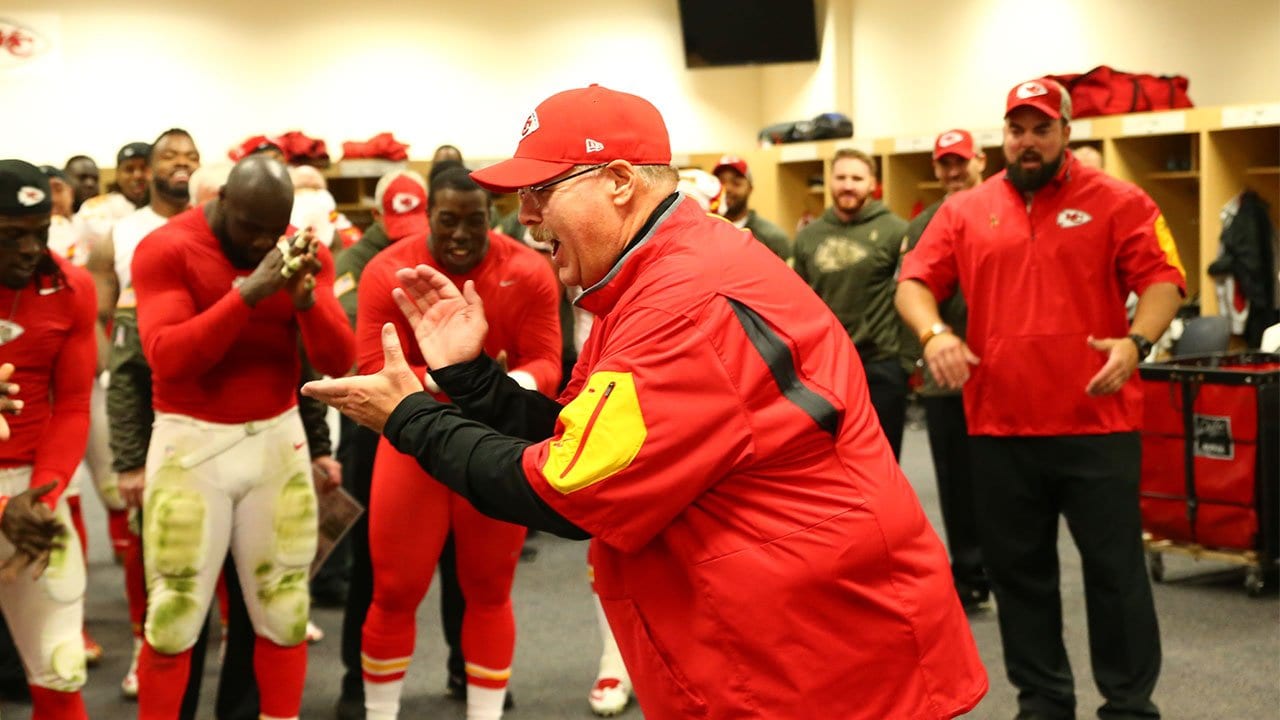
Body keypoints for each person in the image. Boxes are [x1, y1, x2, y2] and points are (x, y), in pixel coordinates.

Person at [304, 83, 987, 720]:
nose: (527, 217)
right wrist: (473, 380)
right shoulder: (660, 277)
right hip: (792, 635)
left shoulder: (680, 306)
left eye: (542, 191)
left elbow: (562, 494)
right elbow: (588, 437)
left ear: (621, 183)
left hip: (816, 659)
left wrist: (409, 417)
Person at [896, 78, 1184, 720]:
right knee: (1020, 577)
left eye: (1041, 129)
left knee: (1116, 577)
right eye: (1016, 130)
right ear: (1003, 135)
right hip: (1000, 428)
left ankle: (1130, 704)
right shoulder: (964, 210)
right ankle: (1044, 701)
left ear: (1065, 131)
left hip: (1098, 424)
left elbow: (1165, 279)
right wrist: (935, 330)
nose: (1027, 143)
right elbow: (915, 281)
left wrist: (1136, 342)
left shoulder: (1118, 200)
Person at [130, 154, 355, 720]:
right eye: (250, 226)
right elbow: (169, 358)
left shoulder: (301, 250)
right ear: (223, 200)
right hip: (191, 445)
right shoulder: (167, 247)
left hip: (275, 444)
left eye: (271, 229)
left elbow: (338, 360)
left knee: (283, 611)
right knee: (174, 617)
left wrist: (306, 303)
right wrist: (249, 294)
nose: (262, 242)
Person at [355, 165, 561, 720]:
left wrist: (496, 385)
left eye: (476, 220)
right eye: (448, 221)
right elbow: (375, 372)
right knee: (395, 591)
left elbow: (547, 364)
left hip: (493, 443)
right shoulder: (385, 272)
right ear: (427, 217)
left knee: (490, 590)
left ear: (493, 218)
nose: (462, 235)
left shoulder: (530, 271)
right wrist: (452, 375)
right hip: (411, 446)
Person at [330, 167, 428, 720]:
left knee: (461, 557)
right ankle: (352, 679)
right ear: (376, 219)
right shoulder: (356, 263)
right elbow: (349, 348)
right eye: (395, 228)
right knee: (372, 559)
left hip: (434, 414)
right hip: (374, 424)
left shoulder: (440, 247)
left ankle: (467, 669)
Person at [0, 158, 96, 719]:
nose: (30, 249)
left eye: (38, 234)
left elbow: (75, 405)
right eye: (11, 237)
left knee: (61, 670)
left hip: (33, 495)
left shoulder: (70, 287)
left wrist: (42, 495)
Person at [898, 129, 990, 612]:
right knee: (956, 484)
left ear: (980, 160)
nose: (953, 173)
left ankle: (1008, 570)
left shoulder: (1005, 207)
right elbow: (911, 292)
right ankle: (971, 575)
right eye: (944, 165)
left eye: (961, 163)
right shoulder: (925, 224)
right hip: (945, 377)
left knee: (1005, 481)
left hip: (1003, 376)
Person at [792, 147, 911, 457]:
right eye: (841, 177)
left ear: (872, 183)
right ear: (830, 181)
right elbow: (798, 303)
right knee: (833, 461)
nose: (848, 185)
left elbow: (909, 294)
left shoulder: (896, 231)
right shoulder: (808, 236)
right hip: (826, 369)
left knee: (883, 459)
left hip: (881, 365)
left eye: (857, 178)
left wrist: (909, 362)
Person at [712, 154, 790, 259]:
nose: (727, 189)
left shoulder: (772, 238)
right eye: (720, 182)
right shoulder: (703, 234)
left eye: (736, 183)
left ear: (750, 189)